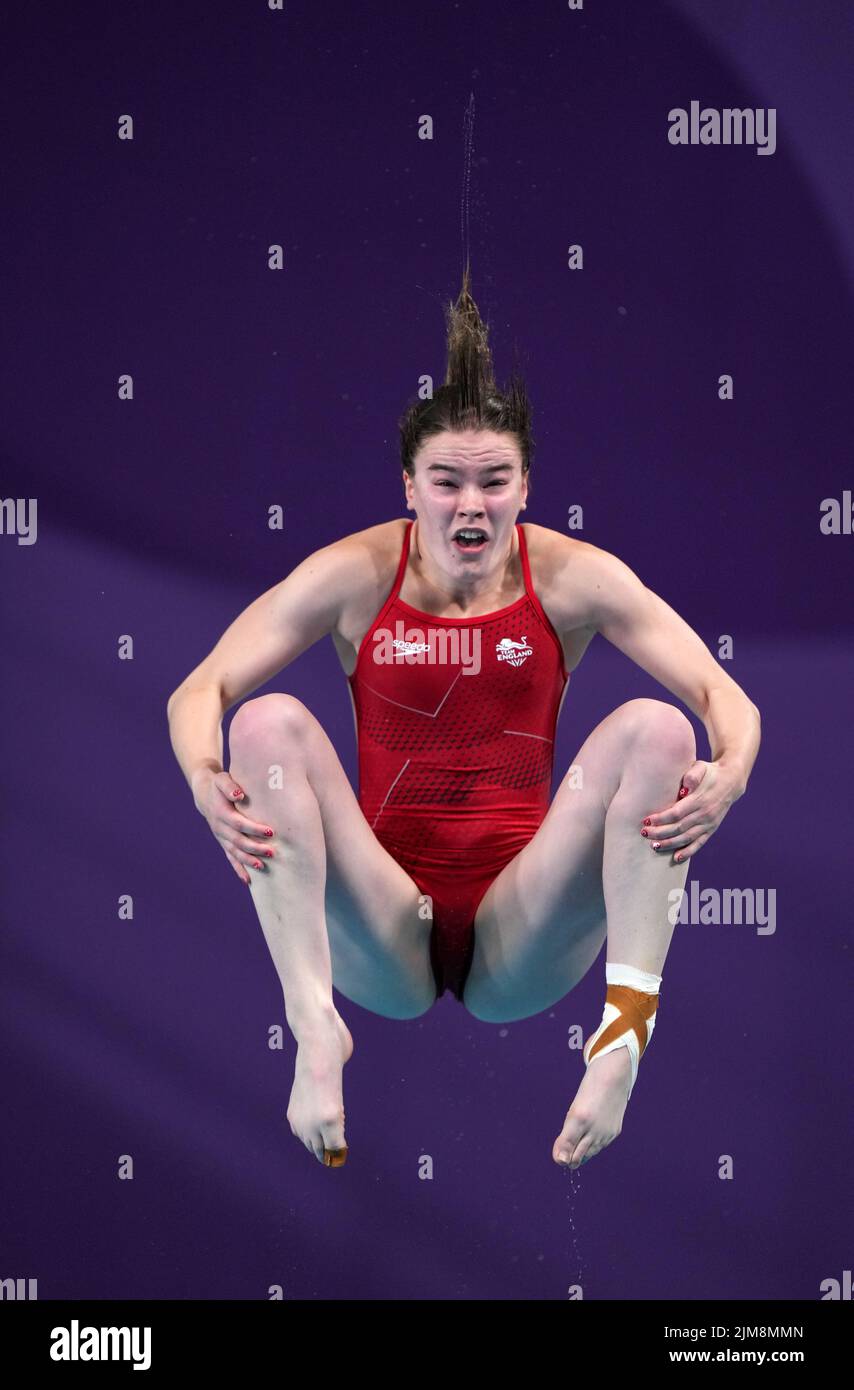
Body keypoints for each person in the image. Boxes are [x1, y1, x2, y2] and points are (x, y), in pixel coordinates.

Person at [166, 264, 760, 1171]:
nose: (470, 506)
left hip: (521, 929)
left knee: (661, 730)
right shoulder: (355, 575)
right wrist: (207, 785)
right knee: (262, 726)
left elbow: (731, 705)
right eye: (446, 482)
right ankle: (313, 1026)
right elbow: (196, 692)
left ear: (527, 488)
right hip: (382, 928)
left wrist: (731, 776)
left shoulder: (573, 578)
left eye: (494, 483)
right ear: (409, 486)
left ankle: (624, 1034)